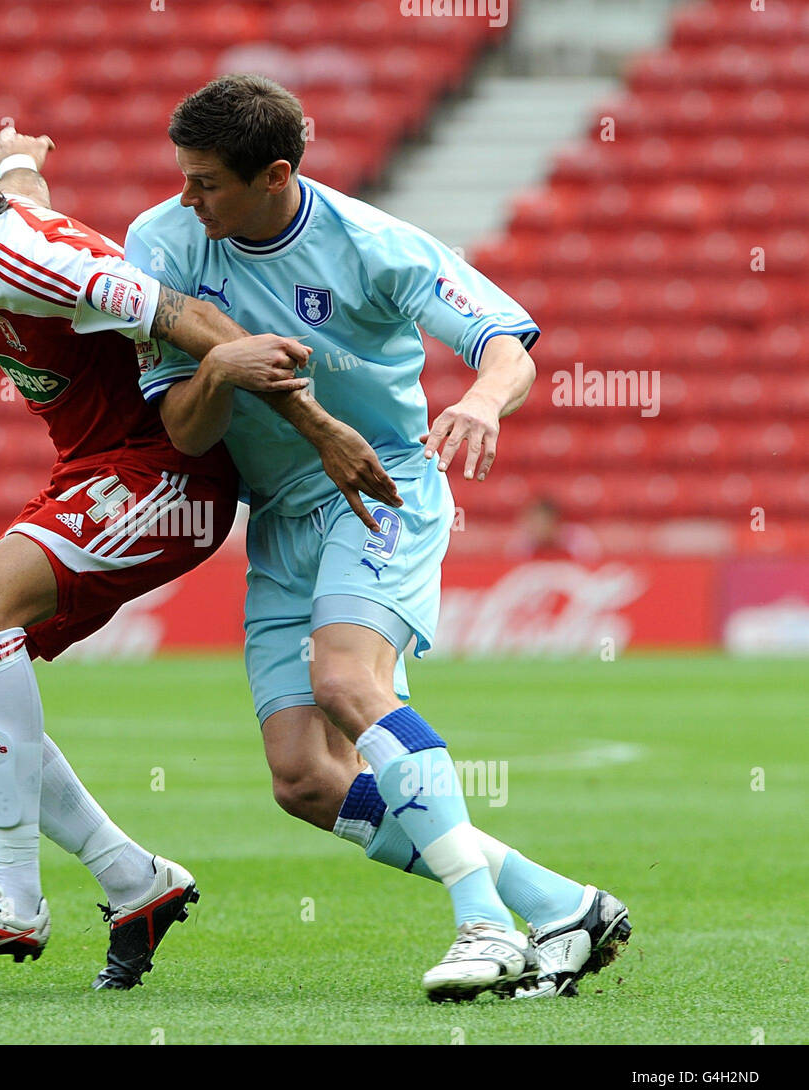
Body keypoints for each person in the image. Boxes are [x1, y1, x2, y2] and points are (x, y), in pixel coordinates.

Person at [0, 110, 385, 989]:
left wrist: (319, 428)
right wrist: (19, 158)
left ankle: (11, 898)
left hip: (169, 475)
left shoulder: (29, 262)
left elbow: (183, 312)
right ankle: (136, 879)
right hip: (91, 472)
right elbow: (17, 196)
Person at [101, 74, 629, 1000]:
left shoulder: (374, 244)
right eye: (181, 176)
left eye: (206, 182)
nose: (186, 197)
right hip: (277, 517)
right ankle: (563, 905)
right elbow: (184, 428)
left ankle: (485, 924)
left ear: (274, 175)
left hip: (381, 487)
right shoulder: (162, 242)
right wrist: (221, 364)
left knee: (348, 681)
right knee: (306, 778)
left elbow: (507, 344)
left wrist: (477, 398)